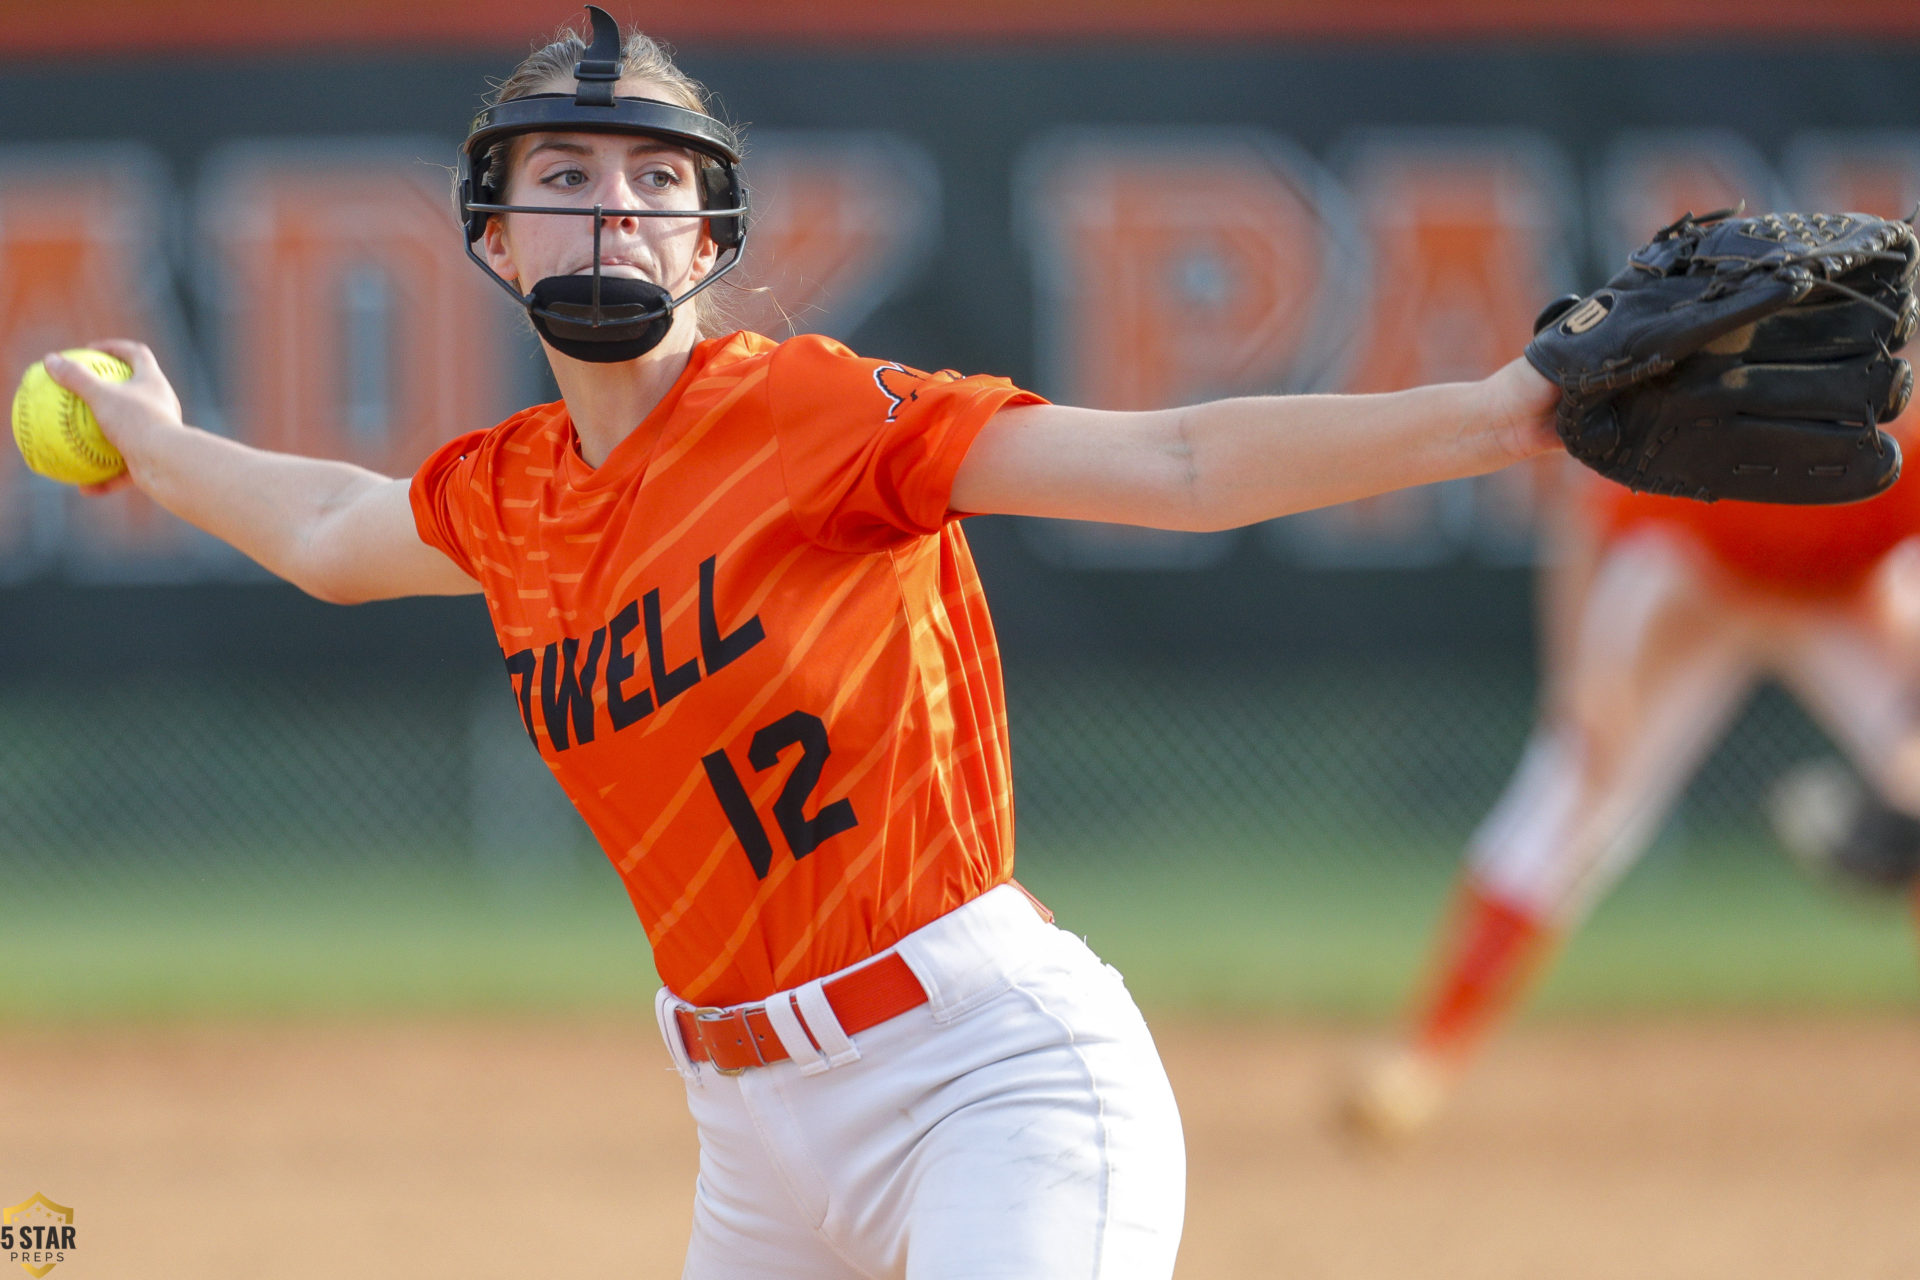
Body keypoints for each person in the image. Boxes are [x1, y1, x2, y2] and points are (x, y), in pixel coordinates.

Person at [50, 9, 1562, 1277]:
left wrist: (1502, 411)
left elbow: (1172, 463)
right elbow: (327, 532)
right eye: (562, 172)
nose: (608, 205)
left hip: (988, 1078)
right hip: (751, 1144)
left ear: (708, 234)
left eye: (651, 177)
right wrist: (147, 441)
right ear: (495, 239)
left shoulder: (812, 414)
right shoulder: (511, 496)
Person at [1341, 453, 1920, 1143]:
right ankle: (1423, 1059)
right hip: (1696, 585)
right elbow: (1584, 517)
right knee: (1570, 793)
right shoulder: (1718, 395)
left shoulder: (1899, 424)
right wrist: (1582, 676)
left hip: (1847, 595)